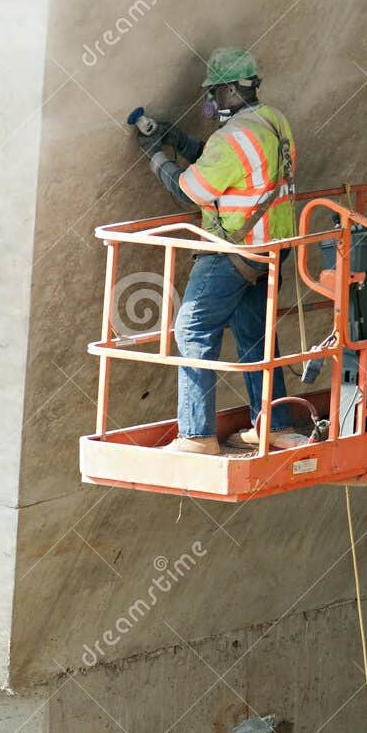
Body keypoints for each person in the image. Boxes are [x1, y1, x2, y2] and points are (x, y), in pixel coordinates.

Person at [138, 47, 299, 455]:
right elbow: (229, 167)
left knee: (191, 330)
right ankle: (275, 426)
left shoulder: (233, 140)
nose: (210, 102)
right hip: (273, 253)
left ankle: (196, 437)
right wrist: (176, 139)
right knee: (255, 337)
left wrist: (155, 155)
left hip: (233, 254)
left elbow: (187, 190)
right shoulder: (272, 122)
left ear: (229, 91)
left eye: (213, 93)